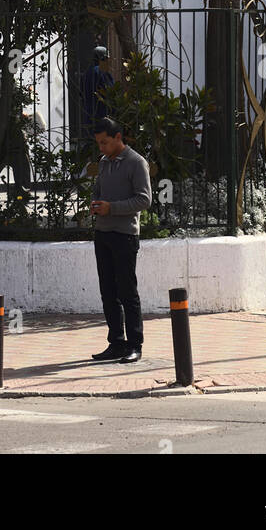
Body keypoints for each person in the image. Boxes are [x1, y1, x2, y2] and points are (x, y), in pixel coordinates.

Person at [89, 116, 152, 364]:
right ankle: (116, 342)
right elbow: (98, 189)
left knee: (127, 291)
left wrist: (111, 208)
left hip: (125, 235)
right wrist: (95, 204)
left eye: (105, 142)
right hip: (102, 233)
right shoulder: (104, 162)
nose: (101, 148)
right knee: (108, 291)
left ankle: (135, 344)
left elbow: (144, 200)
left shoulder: (137, 163)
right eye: (98, 143)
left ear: (118, 137)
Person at [80, 45, 113, 140]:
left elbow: (81, 94)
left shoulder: (87, 73)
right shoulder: (102, 72)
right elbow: (111, 92)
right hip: (102, 114)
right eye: (107, 58)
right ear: (102, 58)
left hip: (89, 116)